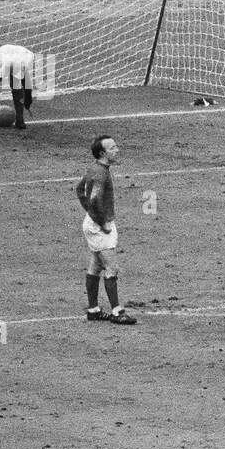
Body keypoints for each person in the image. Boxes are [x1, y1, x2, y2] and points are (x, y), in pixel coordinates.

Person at [76, 135, 136, 324]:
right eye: (112, 147)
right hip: (99, 225)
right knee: (112, 268)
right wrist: (101, 223)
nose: (117, 149)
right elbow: (93, 200)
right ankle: (117, 312)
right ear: (103, 153)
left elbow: (79, 190)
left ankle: (93, 310)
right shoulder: (101, 173)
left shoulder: (95, 168)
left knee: (95, 266)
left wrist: (90, 214)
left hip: (93, 221)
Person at [0, 43, 35, 130]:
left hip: (2, 59)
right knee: (16, 85)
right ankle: (20, 121)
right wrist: (28, 101)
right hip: (23, 57)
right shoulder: (22, 52)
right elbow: (27, 84)